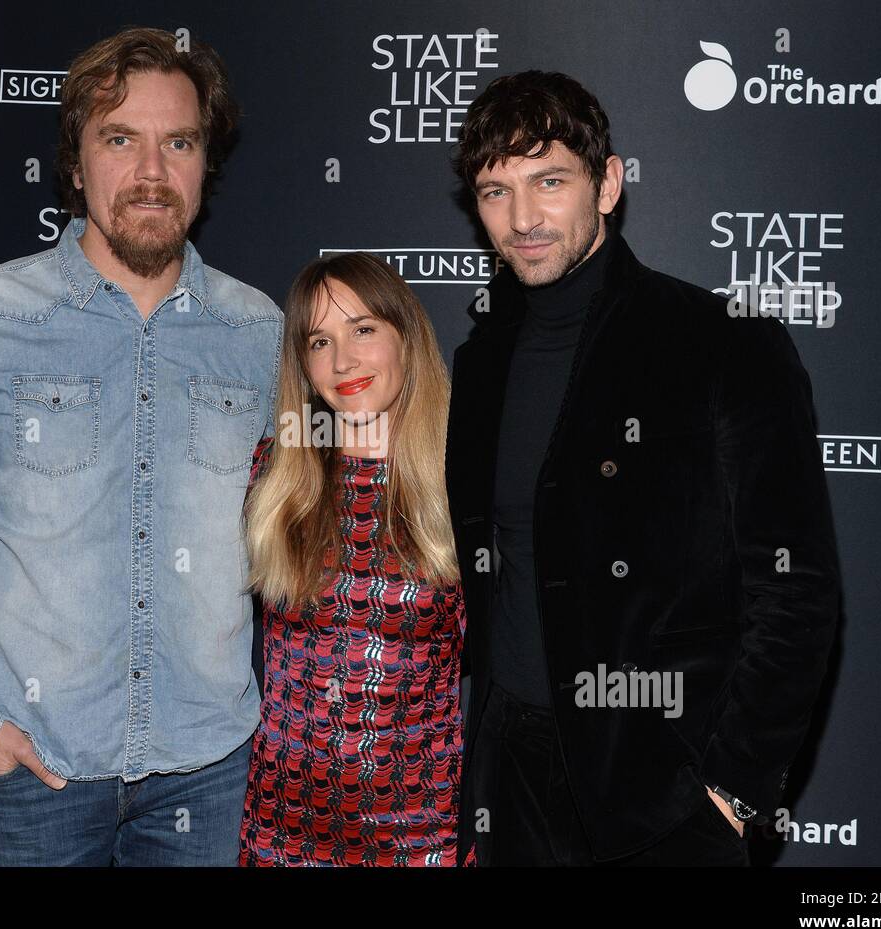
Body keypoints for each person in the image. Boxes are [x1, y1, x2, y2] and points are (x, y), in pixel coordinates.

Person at [0, 28, 282, 866]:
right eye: (120, 140)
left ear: (205, 163)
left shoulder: (258, 332)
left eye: (179, 143)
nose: (152, 172)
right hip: (36, 774)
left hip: (209, 772)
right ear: (76, 161)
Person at [446, 71, 841, 866]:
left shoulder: (723, 343)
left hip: (660, 795)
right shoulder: (481, 360)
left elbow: (796, 590)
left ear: (608, 184)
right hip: (511, 782)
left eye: (549, 181)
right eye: (496, 191)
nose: (522, 219)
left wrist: (731, 788)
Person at [239, 251, 467, 866]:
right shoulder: (275, 474)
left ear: (406, 337)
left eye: (363, 329)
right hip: (282, 829)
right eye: (320, 341)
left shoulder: (464, 480)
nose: (342, 361)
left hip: (421, 830)